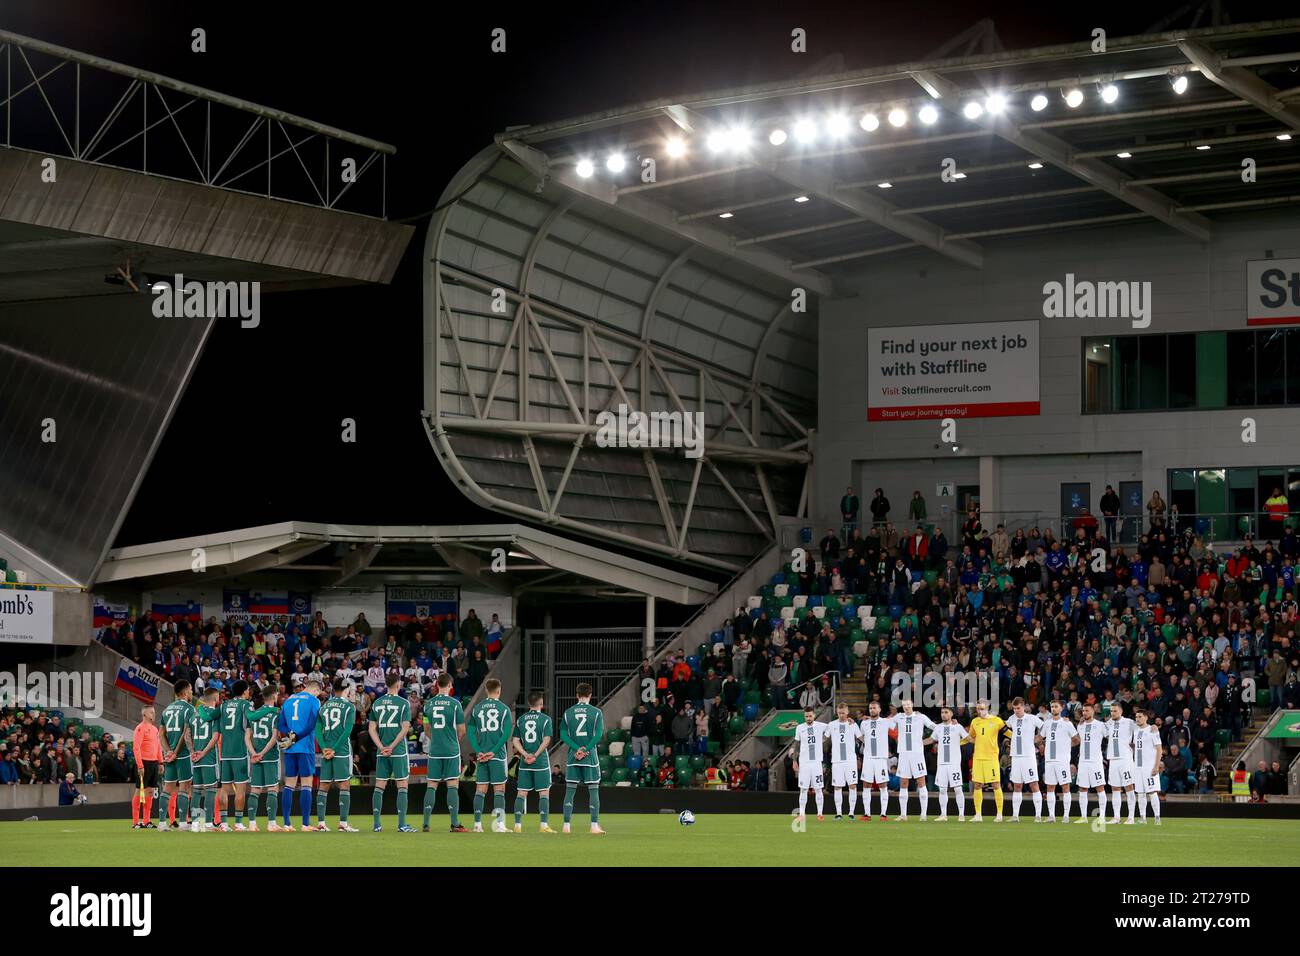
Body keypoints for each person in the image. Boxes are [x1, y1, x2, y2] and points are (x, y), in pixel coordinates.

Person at [421, 672, 467, 833]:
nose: (452, 687)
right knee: (452, 785)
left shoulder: (428, 704)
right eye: (451, 685)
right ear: (448, 685)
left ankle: (426, 823)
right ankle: (454, 824)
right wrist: (453, 741)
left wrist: (438, 739)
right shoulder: (455, 704)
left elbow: (426, 730)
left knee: (431, 785)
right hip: (451, 750)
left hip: (435, 750)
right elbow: (462, 730)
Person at [276, 676, 323, 832]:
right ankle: (305, 824)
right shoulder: (314, 701)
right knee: (306, 784)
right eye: (319, 693)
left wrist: (288, 737)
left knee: (289, 785)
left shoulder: (289, 700)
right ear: (316, 689)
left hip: (289, 748)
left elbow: (280, 723)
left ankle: (287, 824)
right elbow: (311, 725)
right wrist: (296, 738)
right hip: (304, 747)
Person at [368, 674, 414, 832]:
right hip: (398, 751)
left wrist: (382, 747)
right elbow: (405, 727)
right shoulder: (403, 703)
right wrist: (392, 746)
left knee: (379, 786)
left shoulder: (377, 703)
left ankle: (376, 825)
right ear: (398, 684)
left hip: (382, 751)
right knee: (402, 785)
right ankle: (402, 825)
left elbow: (371, 729)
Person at [467, 678, 514, 833]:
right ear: (499, 691)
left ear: (486, 690)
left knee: (480, 789)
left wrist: (478, 750)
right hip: (497, 755)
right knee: (499, 789)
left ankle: (477, 825)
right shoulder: (504, 709)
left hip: (481, 755)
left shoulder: (477, 708)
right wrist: (494, 751)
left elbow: (471, 732)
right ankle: (499, 825)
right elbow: (506, 733)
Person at [560, 683, 606, 834]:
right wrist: (585, 749)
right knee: (593, 791)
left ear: (576, 695)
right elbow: (598, 735)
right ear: (590, 695)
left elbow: (563, 735)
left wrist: (576, 748)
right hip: (589, 757)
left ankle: (566, 826)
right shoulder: (596, 712)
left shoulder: (568, 712)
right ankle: (593, 826)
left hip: (573, 756)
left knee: (570, 790)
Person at [314, 678, 359, 832]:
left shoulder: (324, 706)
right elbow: (347, 731)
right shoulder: (349, 707)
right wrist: (334, 749)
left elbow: (317, 730)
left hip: (326, 751)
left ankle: (321, 823)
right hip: (341, 751)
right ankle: (343, 824)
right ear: (346, 689)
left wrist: (324, 748)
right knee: (344, 784)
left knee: (324, 785)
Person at [512, 691, 555, 833]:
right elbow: (547, 739)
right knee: (544, 793)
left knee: (521, 793)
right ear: (541, 704)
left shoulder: (521, 719)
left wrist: (525, 754)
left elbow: (515, 740)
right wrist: (535, 755)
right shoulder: (546, 719)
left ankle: (517, 825)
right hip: (540, 762)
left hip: (525, 762)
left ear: (529, 704)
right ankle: (543, 825)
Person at [215, 679, 255, 831]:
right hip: (240, 753)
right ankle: (238, 823)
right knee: (240, 789)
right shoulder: (245, 705)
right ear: (244, 691)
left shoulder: (223, 705)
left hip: (225, 753)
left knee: (224, 789)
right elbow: (252, 719)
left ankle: (224, 823)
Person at [157, 680, 196, 832]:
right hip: (183, 754)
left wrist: (168, 752)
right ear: (185, 692)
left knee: (167, 788)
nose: (192, 692)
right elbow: (186, 734)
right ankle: (183, 823)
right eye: (191, 690)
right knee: (185, 787)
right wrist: (176, 752)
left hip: (170, 755)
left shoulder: (166, 710)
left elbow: (161, 733)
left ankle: (161, 823)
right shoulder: (190, 709)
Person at [892, 699, 934, 820]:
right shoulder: (898, 717)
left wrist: (927, 741)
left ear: (912, 705)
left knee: (921, 782)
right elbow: (884, 723)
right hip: (904, 754)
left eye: (908, 705)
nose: (906, 707)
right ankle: (903, 815)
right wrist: (868, 719)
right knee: (903, 783)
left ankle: (923, 814)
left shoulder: (920, 717)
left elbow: (934, 727)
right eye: (904, 705)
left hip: (917, 754)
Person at [246, 687, 281, 831]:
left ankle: (252, 824)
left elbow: (247, 737)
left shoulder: (254, 714)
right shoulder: (276, 714)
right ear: (274, 696)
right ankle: (271, 823)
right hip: (270, 757)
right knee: (272, 788)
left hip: (255, 757)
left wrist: (254, 753)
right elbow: (274, 738)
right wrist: (262, 753)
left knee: (255, 790)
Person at [1005, 697, 1043, 822]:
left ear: (1024, 707)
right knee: (1017, 785)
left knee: (1033, 784)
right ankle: (1015, 815)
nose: (1016, 711)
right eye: (1014, 708)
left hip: (1028, 756)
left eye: (1018, 708)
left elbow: (1044, 727)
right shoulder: (1012, 719)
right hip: (1016, 756)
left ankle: (1038, 815)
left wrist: (1039, 738)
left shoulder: (1032, 718)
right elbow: (1001, 727)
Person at [1040, 699, 1078, 822]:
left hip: (1062, 761)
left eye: (1056, 706)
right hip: (1049, 760)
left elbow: (1076, 739)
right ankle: (1052, 816)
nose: (1053, 708)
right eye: (1052, 706)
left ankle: (1066, 816)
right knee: (1050, 787)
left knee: (1065, 786)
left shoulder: (1067, 723)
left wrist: (1066, 747)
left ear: (1061, 708)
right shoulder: (1047, 723)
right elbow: (1040, 737)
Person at [968, 698, 1005, 822]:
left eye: (982, 709)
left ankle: (999, 814)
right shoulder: (975, 721)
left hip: (991, 757)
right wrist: (958, 740)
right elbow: (971, 737)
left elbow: (1008, 732)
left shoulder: (997, 721)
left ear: (988, 708)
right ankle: (978, 815)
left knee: (995, 784)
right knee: (977, 785)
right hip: (978, 757)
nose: (980, 711)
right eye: (978, 709)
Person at [930, 707, 970, 822]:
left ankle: (961, 814)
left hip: (954, 764)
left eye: (946, 712)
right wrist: (918, 742)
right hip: (942, 764)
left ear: (951, 714)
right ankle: (943, 814)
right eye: (942, 712)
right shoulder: (938, 728)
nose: (943, 714)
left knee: (957, 788)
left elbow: (968, 738)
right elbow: (931, 740)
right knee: (942, 790)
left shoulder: (958, 727)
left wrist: (981, 741)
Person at [791, 707, 829, 821]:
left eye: (810, 716)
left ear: (814, 715)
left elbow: (833, 726)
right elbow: (796, 745)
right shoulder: (800, 728)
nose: (808, 718)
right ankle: (802, 813)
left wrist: (823, 739)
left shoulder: (820, 726)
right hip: (804, 763)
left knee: (818, 789)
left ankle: (820, 813)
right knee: (803, 789)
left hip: (816, 763)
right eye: (806, 716)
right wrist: (794, 760)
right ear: (804, 716)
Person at [825, 702, 861, 820]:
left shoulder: (853, 724)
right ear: (837, 712)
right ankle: (839, 813)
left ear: (847, 712)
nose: (841, 715)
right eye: (839, 713)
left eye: (843, 713)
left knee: (852, 786)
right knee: (837, 787)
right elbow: (824, 738)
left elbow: (861, 738)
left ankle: (851, 813)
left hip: (850, 761)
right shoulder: (831, 724)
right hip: (837, 761)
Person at [1104, 701, 1138, 824]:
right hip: (1113, 759)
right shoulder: (1108, 724)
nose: (1112, 713)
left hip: (1125, 759)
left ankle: (1131, 817)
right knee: (1115, 788)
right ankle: (1116, 817)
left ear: (1121, 711)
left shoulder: (1129, 722)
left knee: (1129, 787)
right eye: (1111, 711)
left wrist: (1153, 727)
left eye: (1115, 711)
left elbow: (1142, 727)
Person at [131, 703, 161, 830]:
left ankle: (147, 821)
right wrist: (140, 765)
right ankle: (136, 822)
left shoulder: (155, 729)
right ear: (144, 714)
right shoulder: (140, 728)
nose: (153, 714)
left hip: (154, 763)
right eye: (151, 712)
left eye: (154, 712)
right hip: (144, 763)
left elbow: (158, 746)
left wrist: (160, 762)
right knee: (139, 791)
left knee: (150, 792)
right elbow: (136, 748)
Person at [1132, 710, 1163, 825]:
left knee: (1152, 792)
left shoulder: (1152, 730)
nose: (1137, 719)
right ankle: (1143, 818)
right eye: (1136, 717)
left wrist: (1156, 766)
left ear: (1146, 717)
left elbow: (1159, 749)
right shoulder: (1136, 731)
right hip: (1138, 767)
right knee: (1140, 793)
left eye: (1140, 717)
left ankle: (1157, 818)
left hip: (1149, 767)